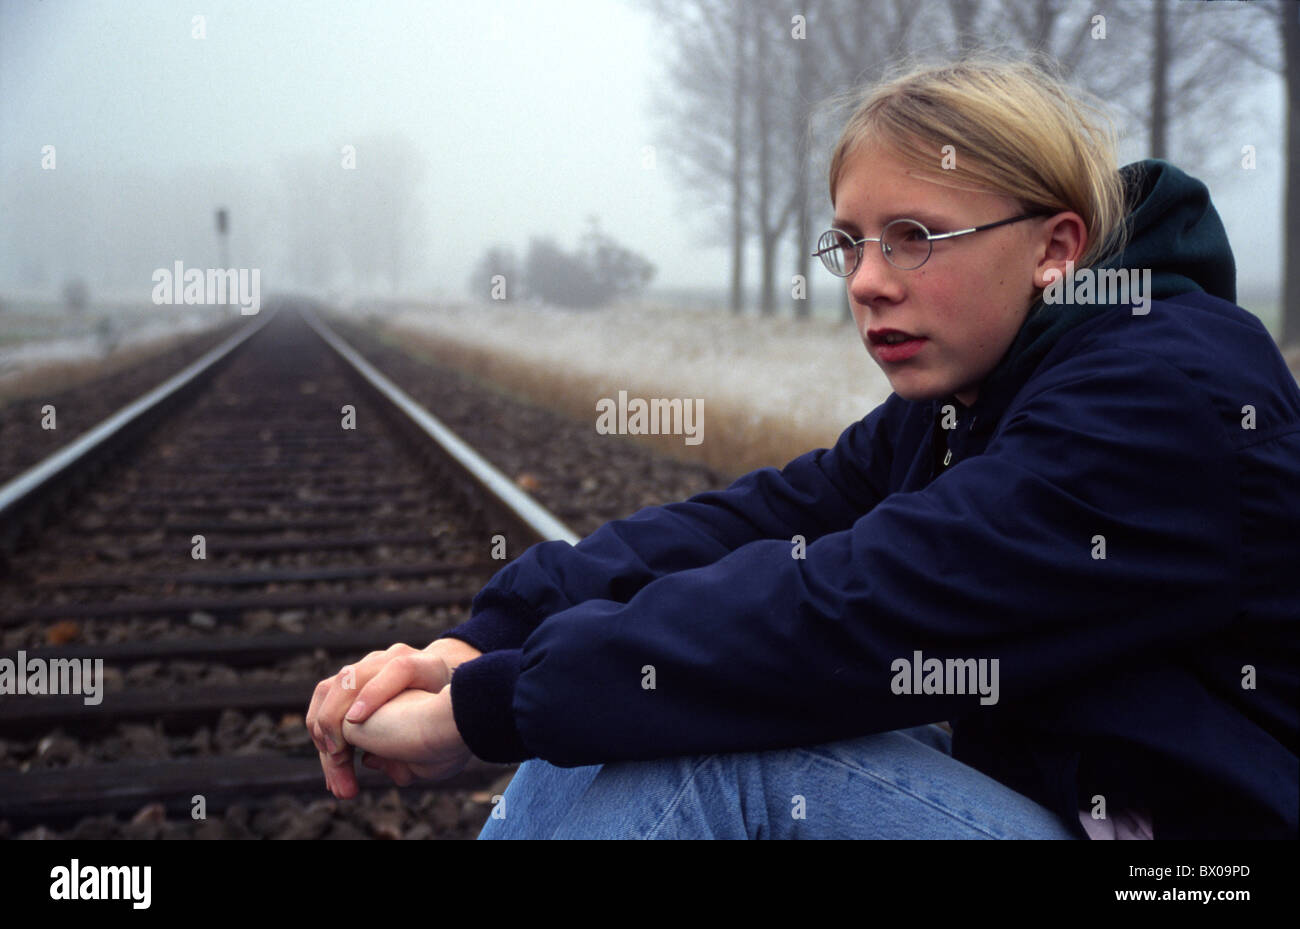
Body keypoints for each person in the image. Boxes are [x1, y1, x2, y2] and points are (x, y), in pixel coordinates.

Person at [305, 55, 1299, 839]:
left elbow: (850, 606)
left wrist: (480, 709)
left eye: (912, 235)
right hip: (1073, 800)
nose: (866, 279)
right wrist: (488, 636)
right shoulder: (975, 394)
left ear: (1054, 248)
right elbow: (772, 519)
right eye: (851, 241)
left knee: (710, 752)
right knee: (618, 711)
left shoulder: (1159, 400)